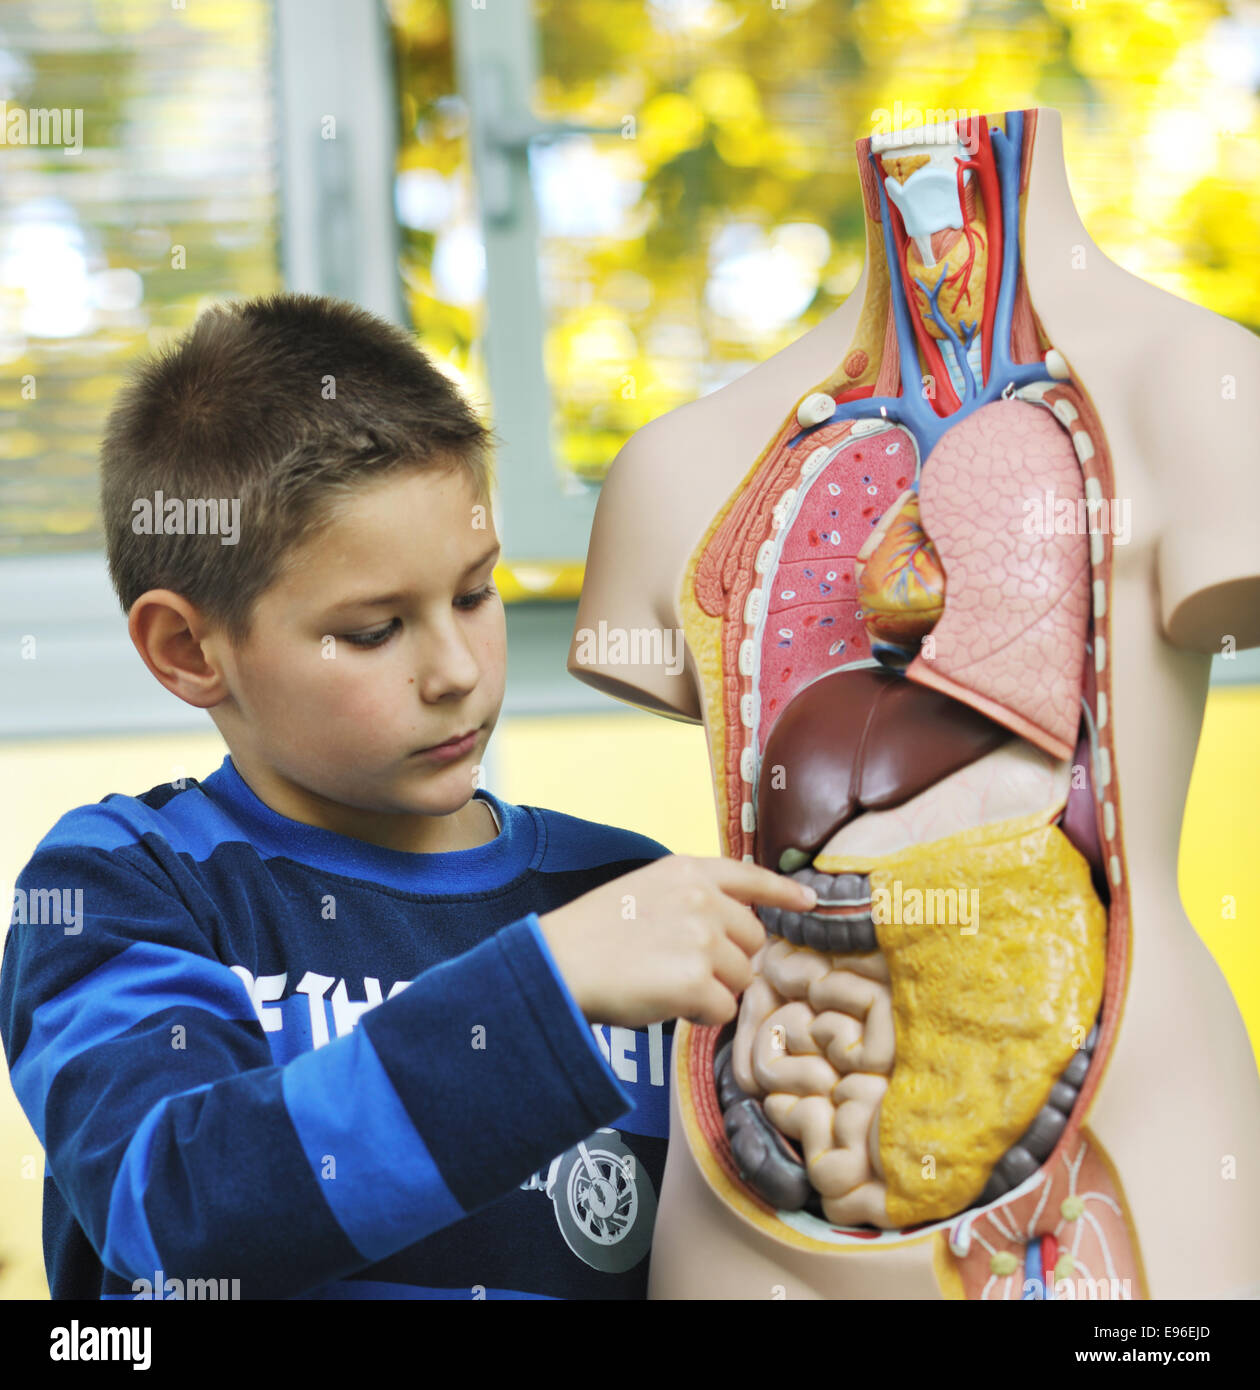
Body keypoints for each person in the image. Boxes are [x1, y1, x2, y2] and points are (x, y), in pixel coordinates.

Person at [0, 293, 815, 1301]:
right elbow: (176, 1210)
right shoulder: (125, 886)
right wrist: (544, 992)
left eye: (475, 593)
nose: (456, 670)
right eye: (376, 629)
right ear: (188, 648)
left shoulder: (627, 894)